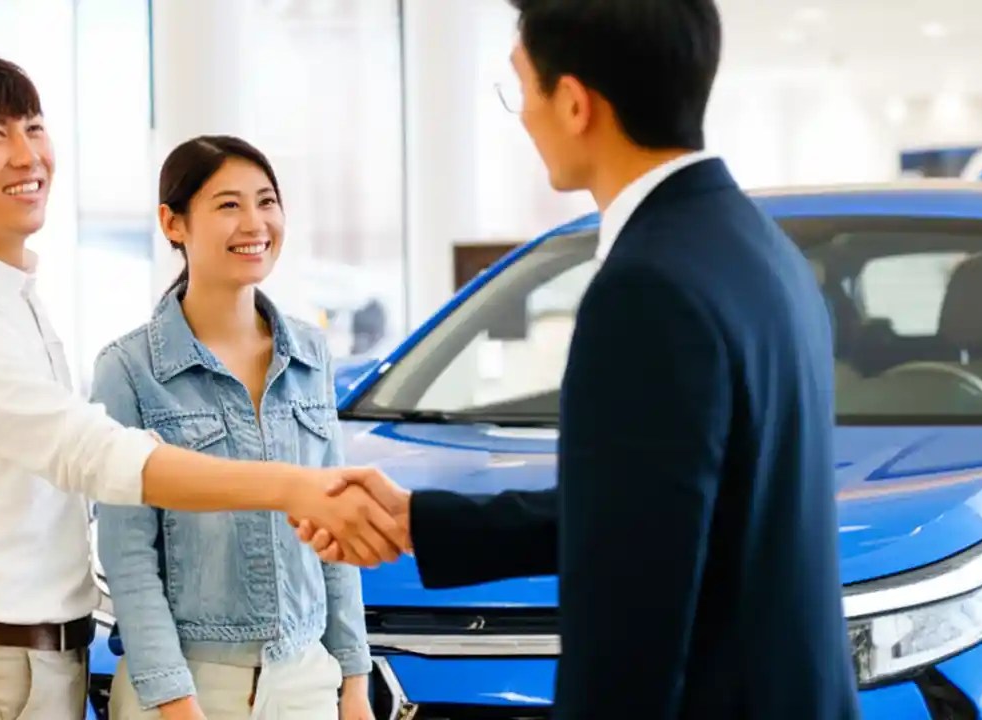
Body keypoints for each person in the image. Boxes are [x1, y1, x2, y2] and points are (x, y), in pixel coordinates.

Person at [298, 0, 860, 718]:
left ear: (573, 103)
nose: (522, 115)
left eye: (522, 88)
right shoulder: (759, 249)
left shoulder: (648, 286)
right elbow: (650, 507)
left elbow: (634, 603)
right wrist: (421, 521)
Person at [0, 56, 402, 719]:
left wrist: (352, 676)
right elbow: (101, 465)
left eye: (34, 128)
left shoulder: (8, 293)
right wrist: (293, 486)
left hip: (46, 657)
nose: (27, 154)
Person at [92, 135, 374, 720]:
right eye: (228, 205)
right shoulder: (128, 369)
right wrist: (176, 700)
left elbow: (333, 534)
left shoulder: (310, 355)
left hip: (304, 682)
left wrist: (352, 682)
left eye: (266, 201)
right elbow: (128, 557)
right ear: (174, 223)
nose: (255, 223)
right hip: (190, 685)